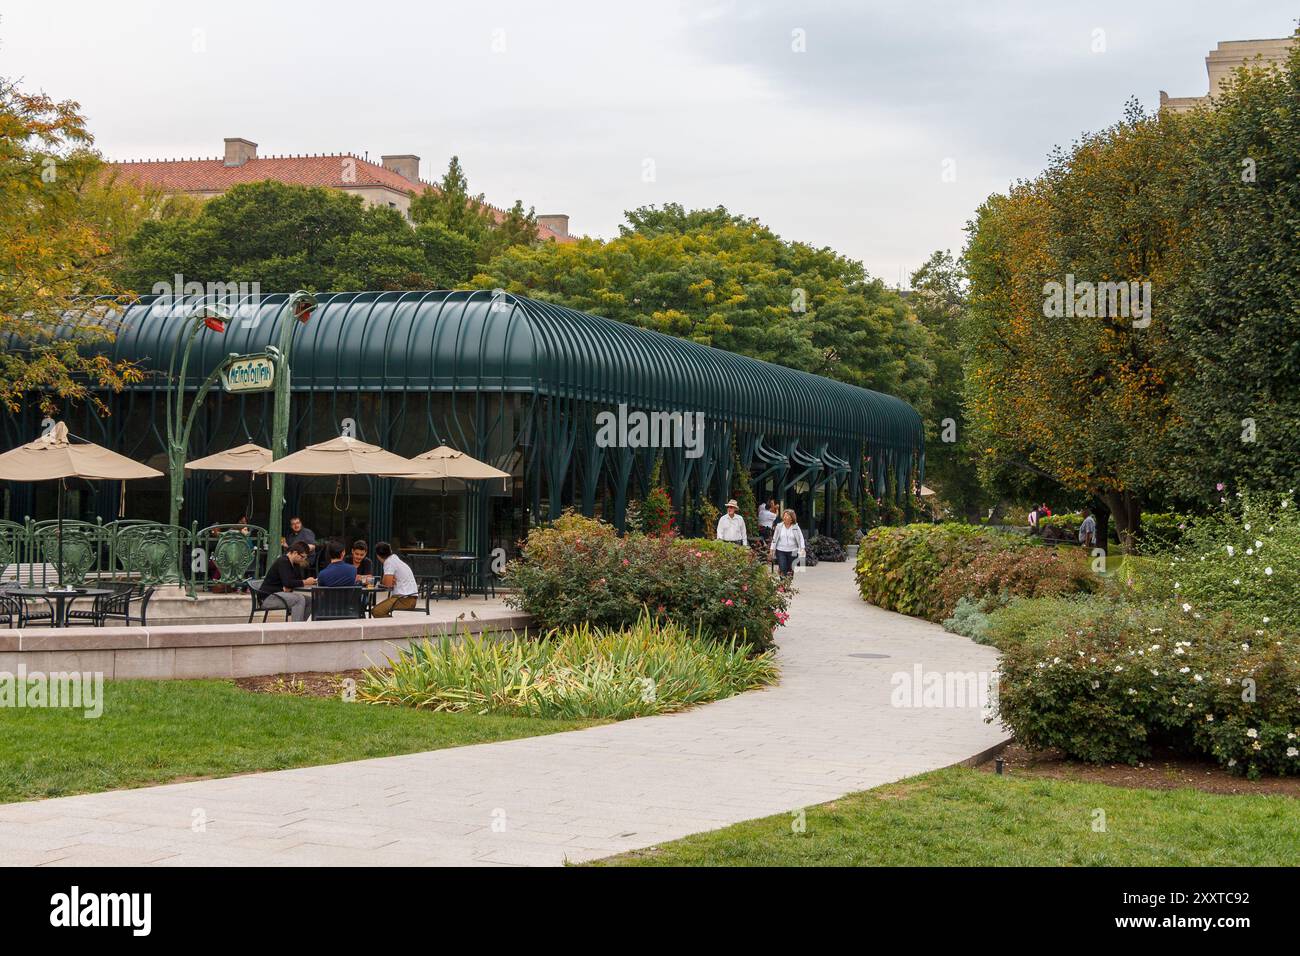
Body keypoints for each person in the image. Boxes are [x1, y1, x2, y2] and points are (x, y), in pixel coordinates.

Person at [258, 541, 317, 621]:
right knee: (299, 599)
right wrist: (305, 582)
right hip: (268, 598)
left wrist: (295, 583)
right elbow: (288, 582)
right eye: (302, 557)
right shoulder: (283, 561)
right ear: (295, 553)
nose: (303, 560)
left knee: (310, 601)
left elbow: (295, 581)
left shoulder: (295, 563)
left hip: (280, 595)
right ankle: (297, 626)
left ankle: (303, 624)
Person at [372, 541, 419, 616]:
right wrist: (389, 579)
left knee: (377, 611)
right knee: (378, 610)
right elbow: (388, 582)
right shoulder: (394, 559)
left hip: (404, 599)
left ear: (377, 555)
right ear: (390, 551)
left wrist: (387, 580)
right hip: (409, 598)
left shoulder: (389, 562)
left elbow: (387, 584)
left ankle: (392, 624)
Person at [769, 509, 806, 577]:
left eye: (787, 516)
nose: (785, 517)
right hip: (781, 550)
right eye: (784, 515)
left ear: (791, 518)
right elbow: (774, 538)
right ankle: (782, 581)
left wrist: (802, 548)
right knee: (783, 568)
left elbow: (801, 538)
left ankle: (788, 582)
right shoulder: (779, 526)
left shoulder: (796, 527)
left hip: (793, 551)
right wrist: (771, 549)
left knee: (790, 570)